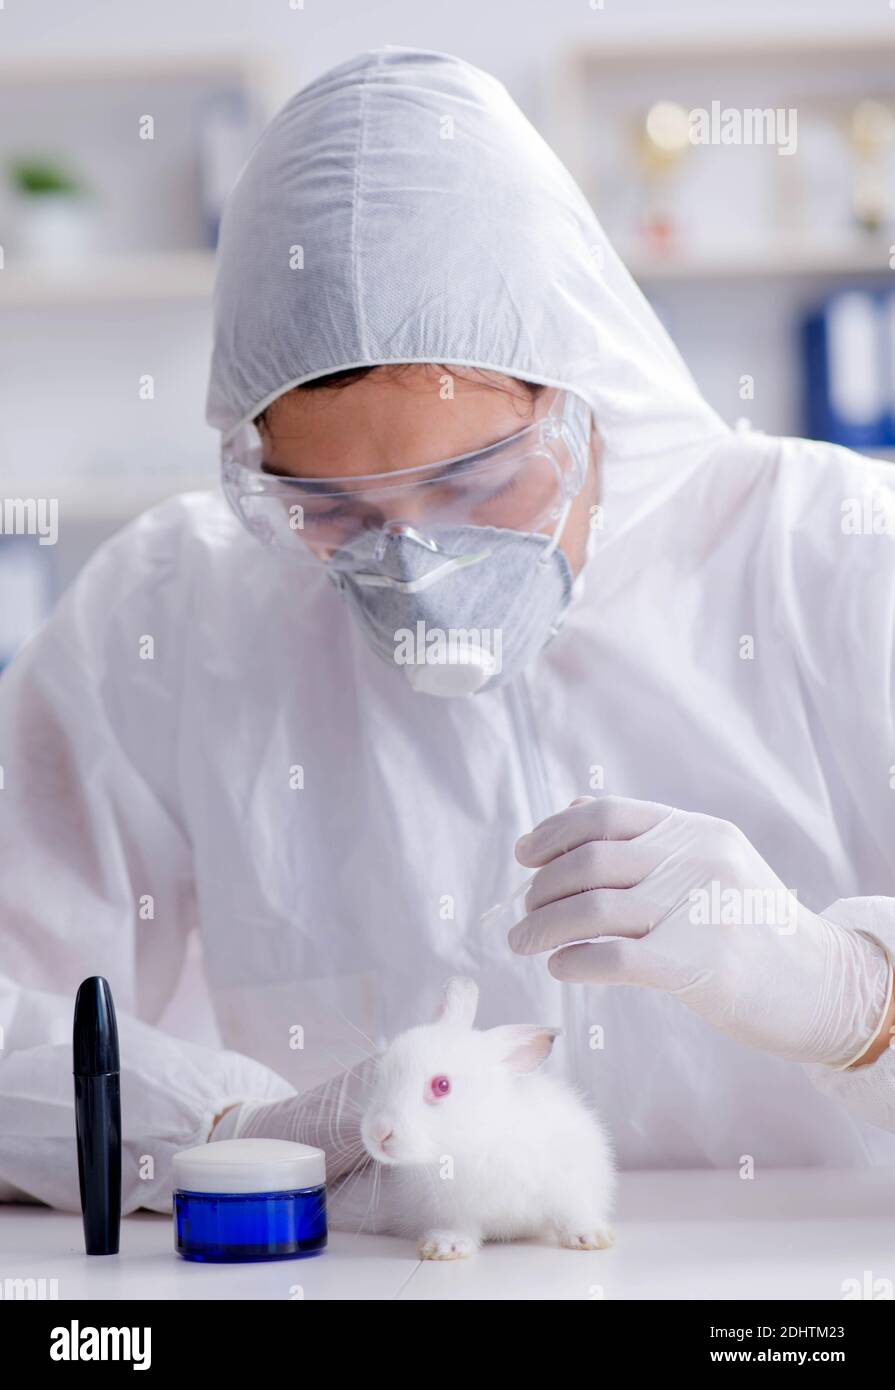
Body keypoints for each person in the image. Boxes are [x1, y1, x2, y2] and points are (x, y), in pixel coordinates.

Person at [2, 45, 895, 1219]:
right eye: (333, 510)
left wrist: (854, 1006)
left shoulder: (832, 553)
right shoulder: (171, 614)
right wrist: (217, 1131)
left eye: (475, 486)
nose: (412, 563)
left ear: (582, 402)